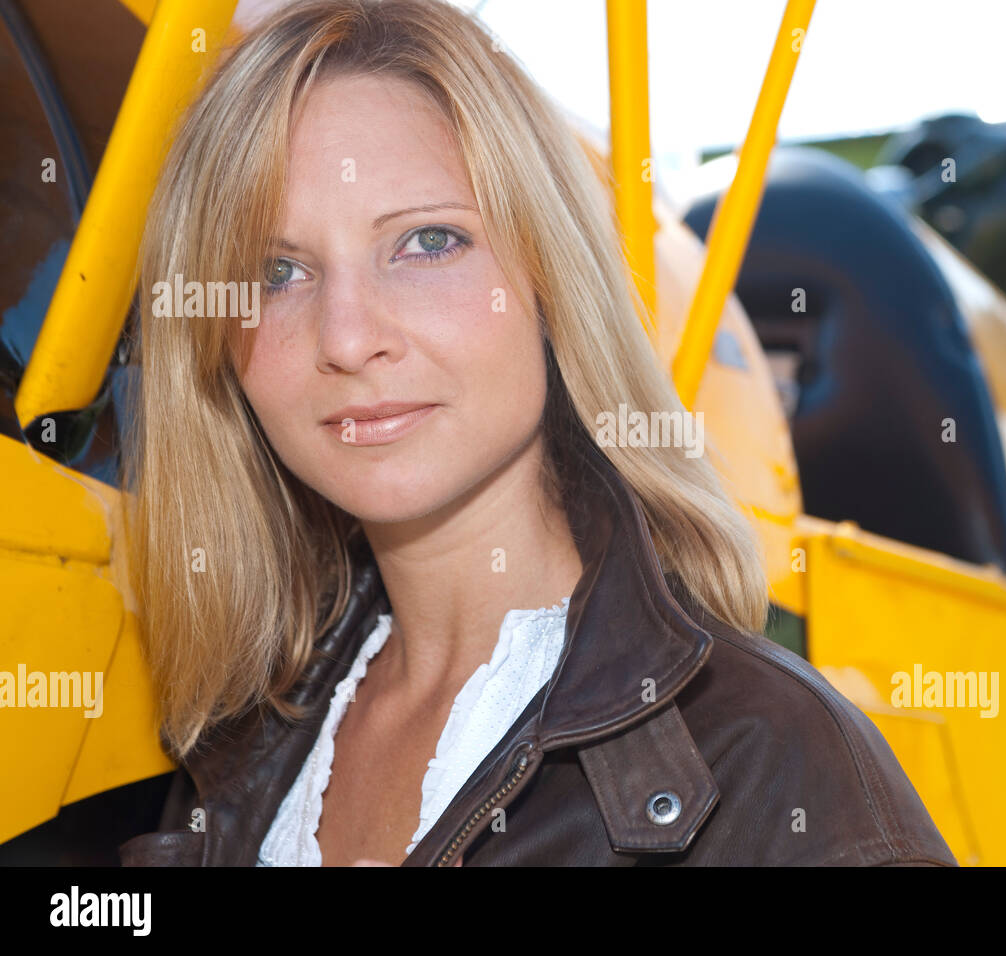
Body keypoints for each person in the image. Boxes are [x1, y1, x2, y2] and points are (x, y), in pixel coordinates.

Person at [117, 0, 957, 867]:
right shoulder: (239, 735)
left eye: (427, 242)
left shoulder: (778, 768)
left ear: (551, 277)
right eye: (276, 271)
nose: (345, 335)